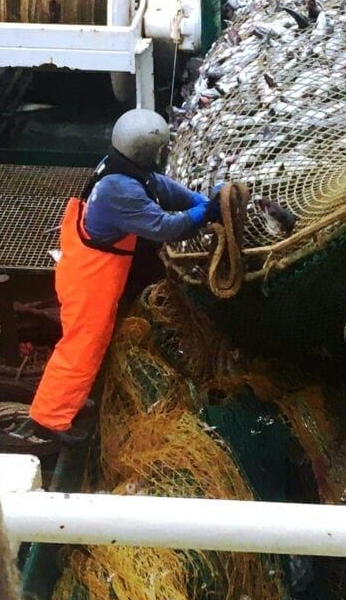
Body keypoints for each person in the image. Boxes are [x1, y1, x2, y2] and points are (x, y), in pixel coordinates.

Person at [24, 109, 222, 444]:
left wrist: (200, 201)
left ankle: (69, 400)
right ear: (147, 152)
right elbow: (164, 227)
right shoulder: (121, 191)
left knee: (89, 345)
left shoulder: (121, 166)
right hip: (89, 280)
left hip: (91, 269)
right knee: (82, 347)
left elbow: (160, 187)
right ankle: (49, 419)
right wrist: (203, 214)